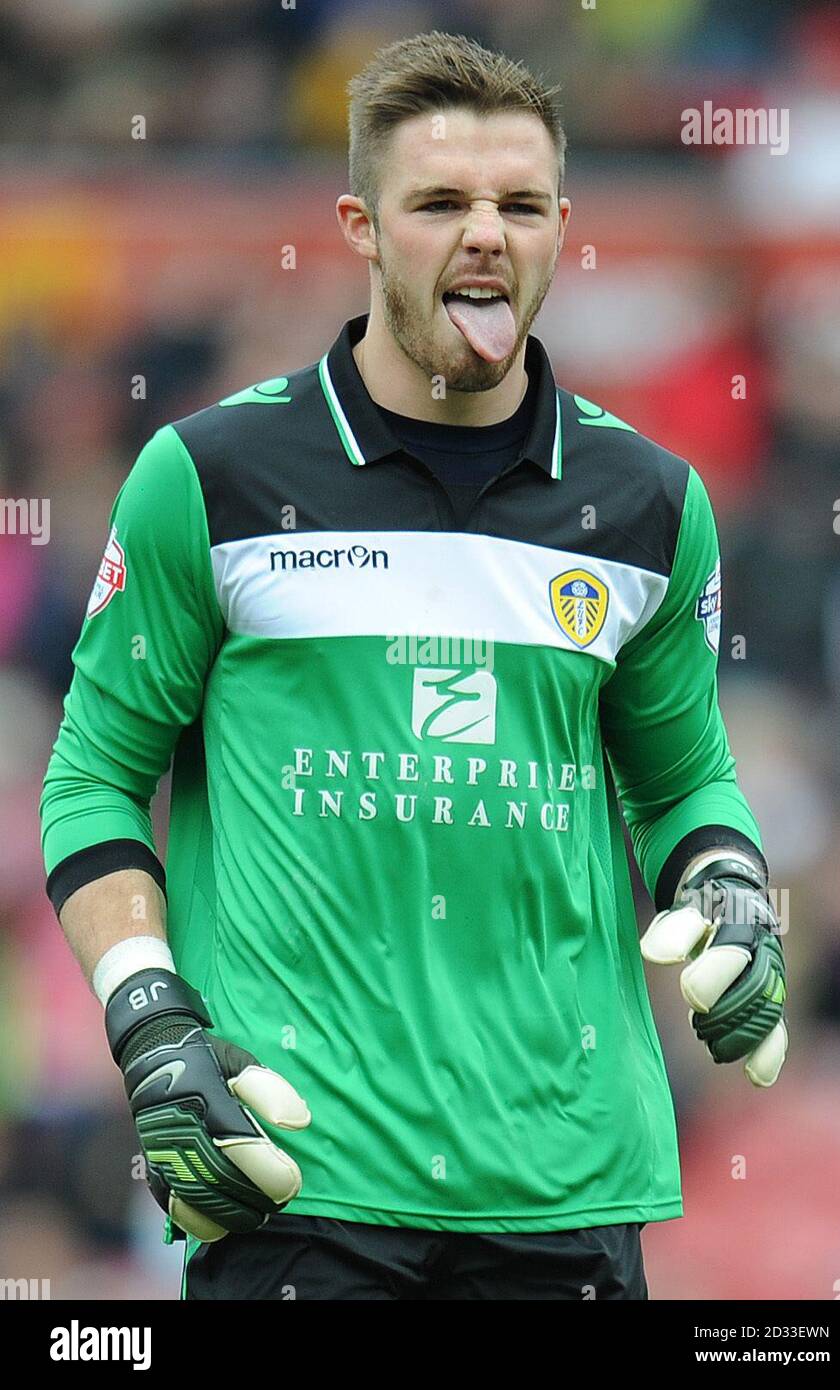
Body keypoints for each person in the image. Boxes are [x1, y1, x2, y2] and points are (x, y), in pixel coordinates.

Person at [40, 31, 788, 1301]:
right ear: (362, 226)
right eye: (439, 202)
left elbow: (684, 783)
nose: (483, 233)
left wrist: (731, 885)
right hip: (295, 1181)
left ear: (561, 226)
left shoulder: (652, 502)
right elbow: (91, 786)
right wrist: (153, 1023)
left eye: (518, 205)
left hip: (566, 1184)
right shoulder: (212, 478)